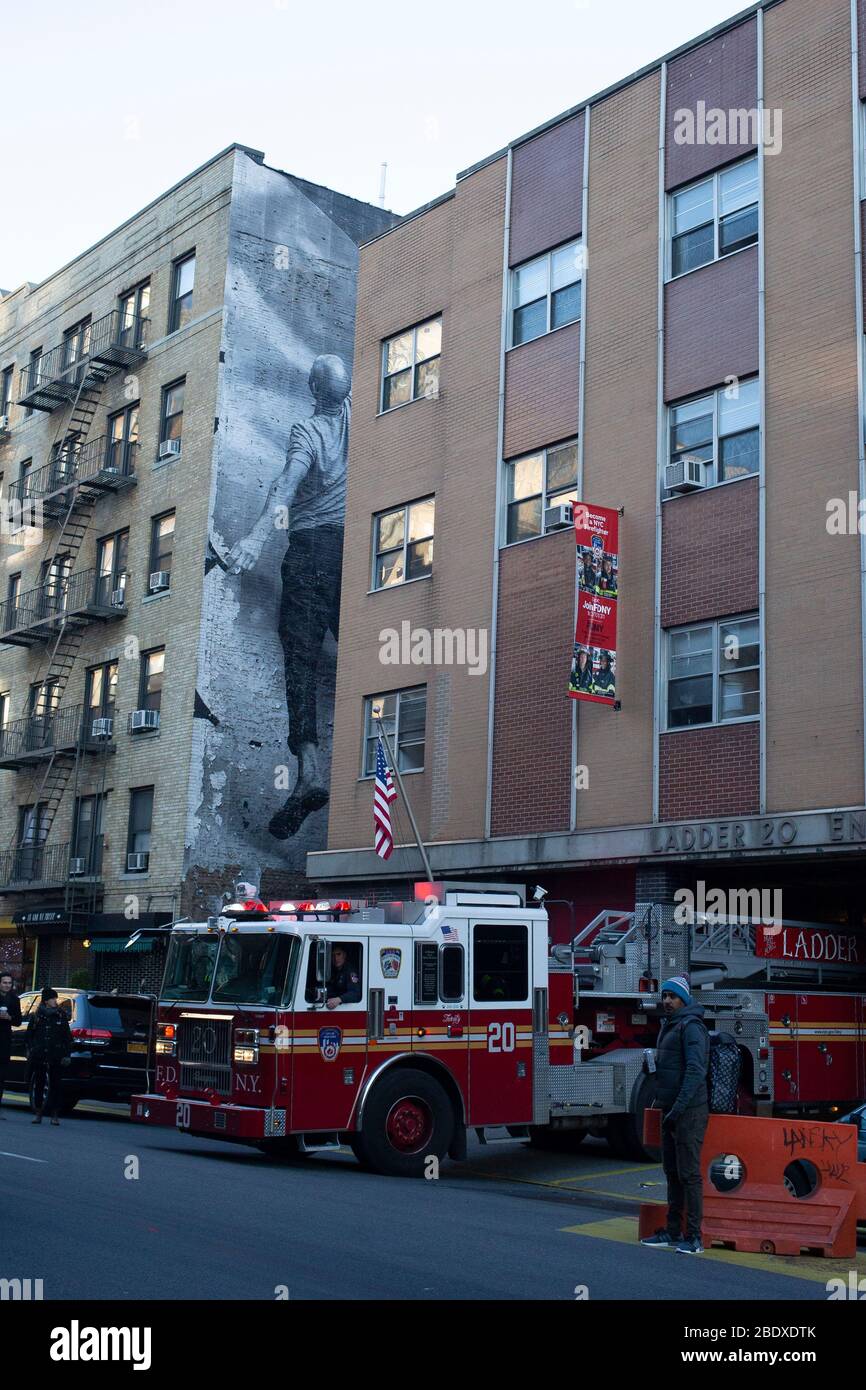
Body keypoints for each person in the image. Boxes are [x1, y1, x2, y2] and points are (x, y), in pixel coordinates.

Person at [225, 354, 351, 842]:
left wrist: (257, 537)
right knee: (359, 653)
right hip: (358, 550)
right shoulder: (363, 422)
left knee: (300, 662)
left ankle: (310, 771)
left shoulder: (308, 432)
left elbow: (284, 485)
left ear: (312, 390)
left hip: (310, 552)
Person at [641, 975, 710, 1254]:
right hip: (670, 1109)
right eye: (665, 996)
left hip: (689, 1111)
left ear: (684, 999)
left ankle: (693, 1237)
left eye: (672, 996)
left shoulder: (692, 1027)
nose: (667, 1001)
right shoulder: (670, 1025)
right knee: (671, 1172)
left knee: (689, 1174)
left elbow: (695, 1071)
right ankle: (672, 1231)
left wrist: (679, 1107)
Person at [26, 987, 72, 1126]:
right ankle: (38, 1112)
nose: (55, 1001)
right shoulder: (37, 1016)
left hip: (56, 1054)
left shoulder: (61, 1015)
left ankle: (54, 1114)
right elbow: (29, 1035)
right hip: (40, 1054)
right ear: (46, 1001)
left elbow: (67, 1037)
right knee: (39, 1083)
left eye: (55, 998)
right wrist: (31, 1049)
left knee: (56, 1084)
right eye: (52, 998)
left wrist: (66, 1054)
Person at [0, 970, 22, 1114]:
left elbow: (18, 1021)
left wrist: (9, 1018)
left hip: (4, 1041)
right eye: (4, 982)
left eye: (9, 983)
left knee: (1, 1075)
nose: (7, 985)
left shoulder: (14, 999)